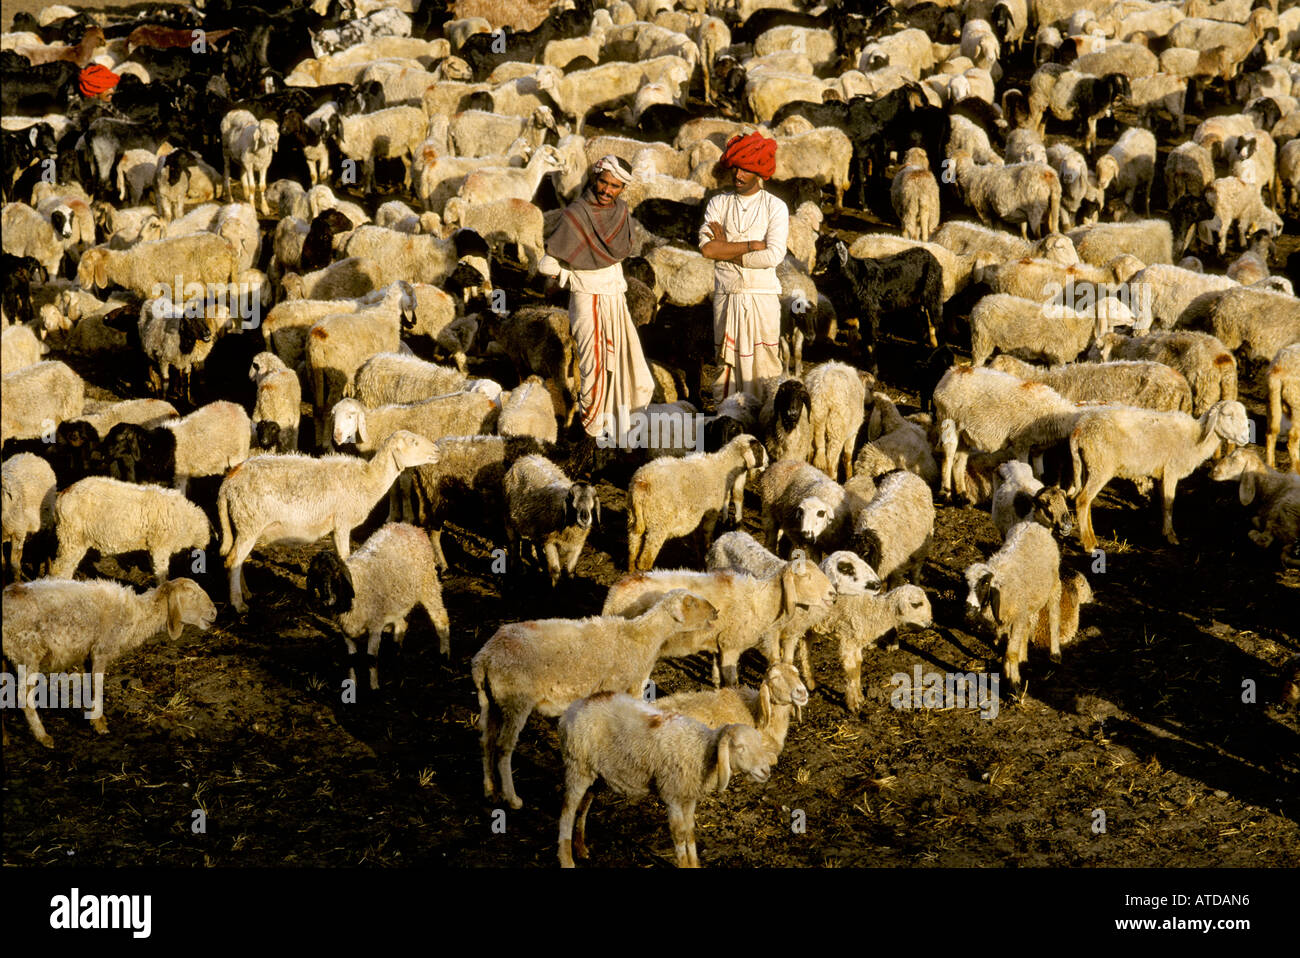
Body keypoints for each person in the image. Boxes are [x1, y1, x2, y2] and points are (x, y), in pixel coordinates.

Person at [538, 154, 655, 456]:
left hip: (615, 295)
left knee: (627, 364)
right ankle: (589, 435)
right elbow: (546, 265)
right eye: (603, 182)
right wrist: (572, 272)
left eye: (614, 186)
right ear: (595, 178)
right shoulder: (576, 214)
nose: (606, 190)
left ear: (621, 189)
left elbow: (619, 253)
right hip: (587, 296)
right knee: (594, 366)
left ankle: (616, 431)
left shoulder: (621, 213)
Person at [699, 130, 789, 400]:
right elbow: (707, 248)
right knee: (725, 367)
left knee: (765, 365)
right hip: (727, 295)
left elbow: (773, 255)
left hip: (762, 298)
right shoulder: (719, 203)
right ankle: (728, 424)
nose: (738, 175)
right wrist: (751, 246)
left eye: (746, 169)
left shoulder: (776, 207)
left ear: (759, 172)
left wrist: (726, 250)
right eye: (736, 168)